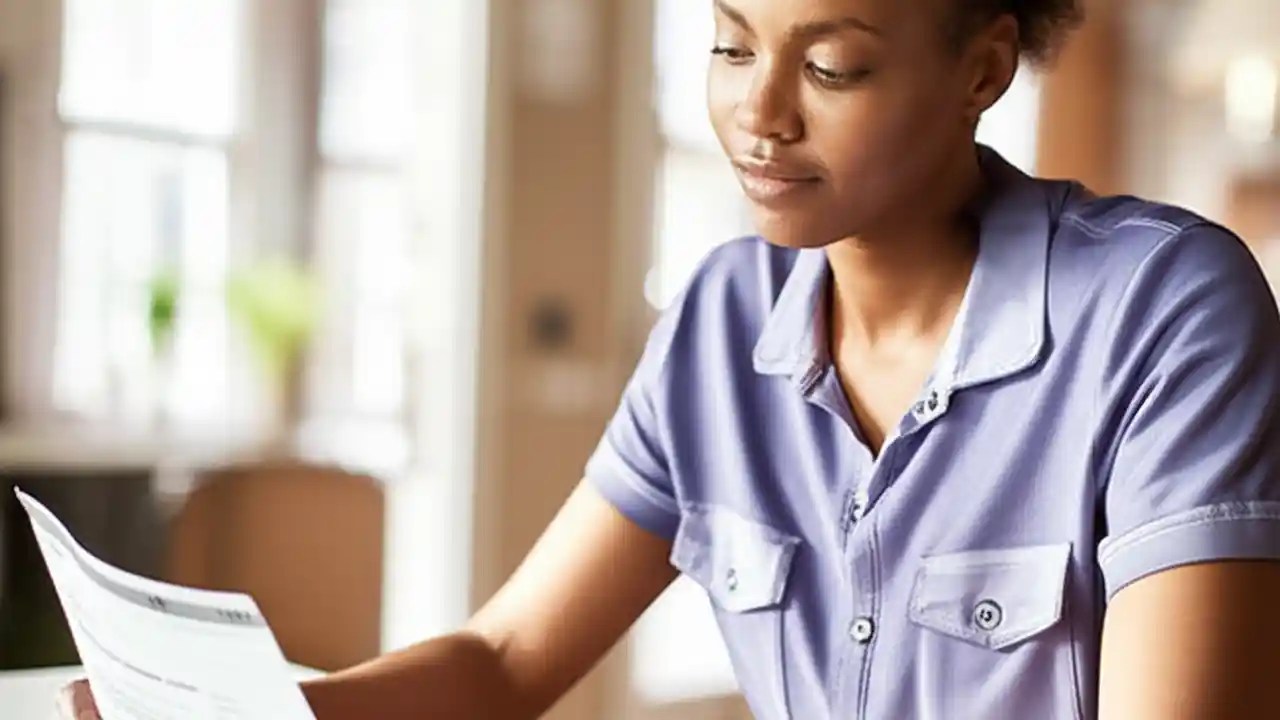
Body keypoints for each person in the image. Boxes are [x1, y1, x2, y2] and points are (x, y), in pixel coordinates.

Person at [63, 0, 1280, 717]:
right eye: (728, 42)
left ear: (981, 66)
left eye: (829, 66)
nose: (759, 114)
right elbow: (501, 662)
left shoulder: (1159, 309)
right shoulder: (718, 324)